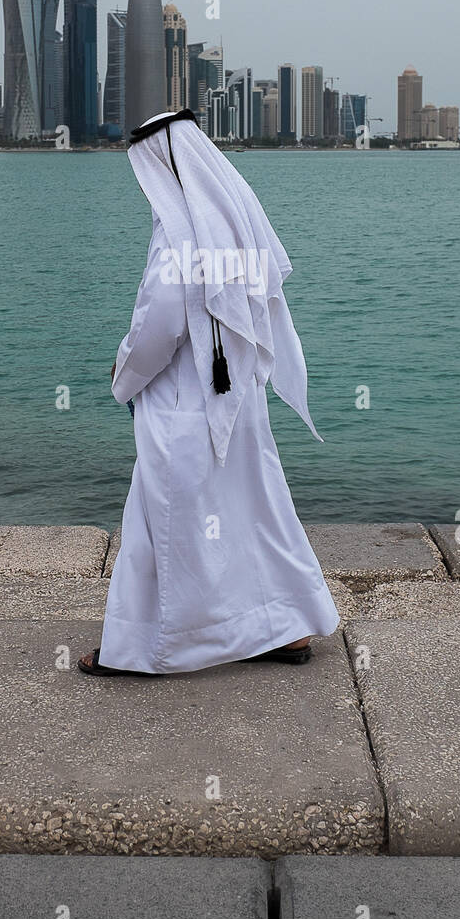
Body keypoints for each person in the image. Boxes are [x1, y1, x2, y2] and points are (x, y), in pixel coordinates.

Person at [79, 109, 339, 676]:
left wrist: (123, 372)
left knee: (162, 520)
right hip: (239, 396)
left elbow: (160, 324)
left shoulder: (178, 232)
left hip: (185, 402)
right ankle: (287, 627)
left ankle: (143, 646)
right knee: (254, 507)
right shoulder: (232, 217)